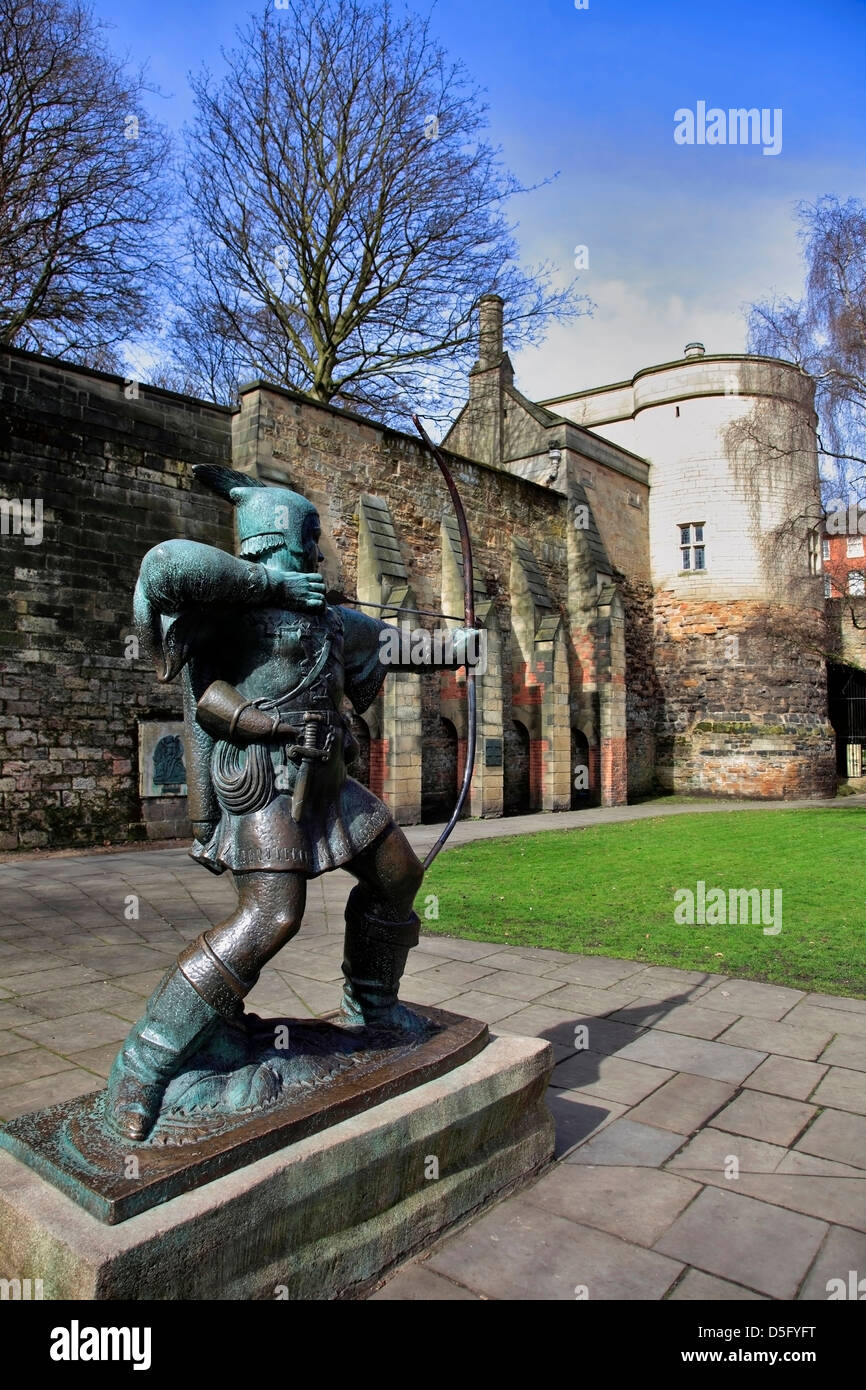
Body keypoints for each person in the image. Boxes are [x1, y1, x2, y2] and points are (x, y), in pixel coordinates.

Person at [107, 465, 478, 1141]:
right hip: (264, 779)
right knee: (271, 918)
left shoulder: (337, 623)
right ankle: (144, 1067)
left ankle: (374, 1007)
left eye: (310, 553)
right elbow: (174, 592)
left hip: (329, 782)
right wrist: (273, 717)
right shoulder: (230, 608)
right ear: (271, 549)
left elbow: (397, 646)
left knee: (397, 873)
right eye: (301, 550)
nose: (311, 560)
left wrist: (463, 648)